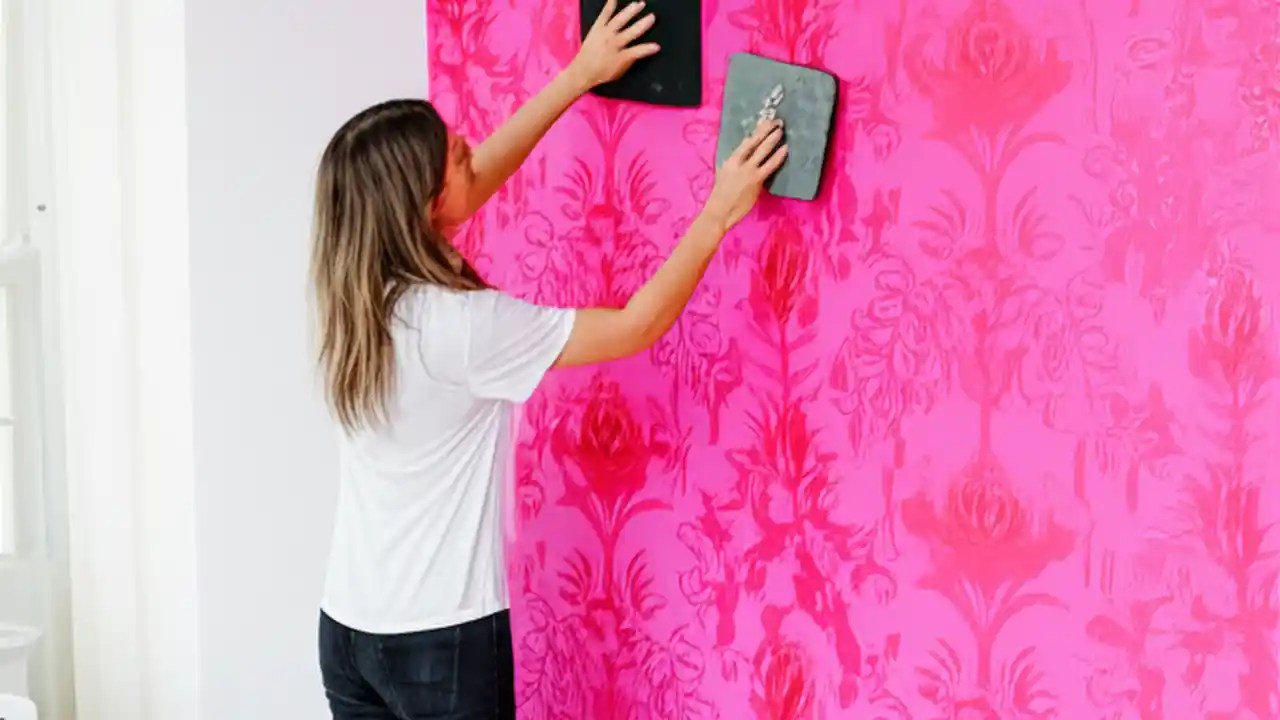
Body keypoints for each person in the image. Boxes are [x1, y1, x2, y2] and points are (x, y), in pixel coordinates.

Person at [309, 0, 787, 717]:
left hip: (348, 627)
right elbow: (635, 324)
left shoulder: (354, 291)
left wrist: (579, 75)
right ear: (427, 204)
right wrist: (720, 208)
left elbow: (469, 185)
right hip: (438, 640)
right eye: (458, 156)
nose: (472, 146)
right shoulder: (460, 326)